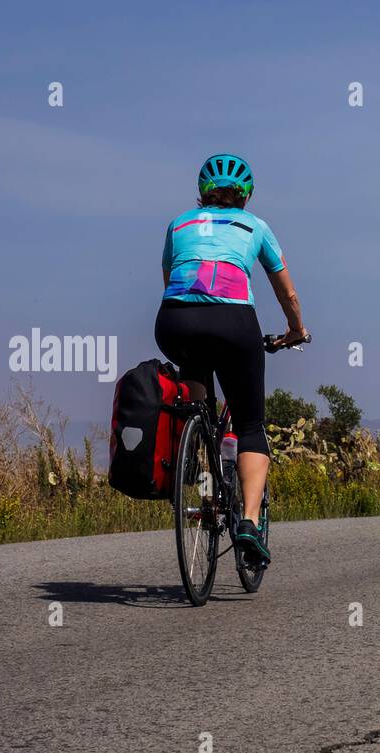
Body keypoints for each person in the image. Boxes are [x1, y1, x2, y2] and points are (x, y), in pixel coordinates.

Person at [154, 153, 308, 566]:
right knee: (250, 423)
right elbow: (286, 293)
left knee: (198, 401)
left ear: (202, 194)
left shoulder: (179, 223)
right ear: (247, 195)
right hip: (234, 322)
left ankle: (201, 476)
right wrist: (296, 331)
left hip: (174, 324)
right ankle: (249, 524)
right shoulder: (256, 226)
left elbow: (171, 278)